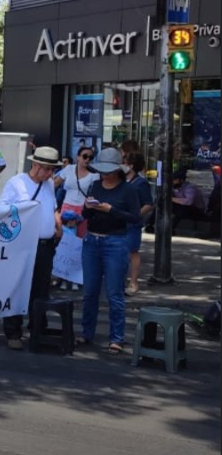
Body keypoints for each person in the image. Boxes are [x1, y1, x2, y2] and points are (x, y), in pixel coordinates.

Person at [0, 146, 63, 350]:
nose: (49, 173)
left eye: (52, 169)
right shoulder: (16, 183)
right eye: (46, 169)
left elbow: (53, 207)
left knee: (41, 289)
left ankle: (37, 328)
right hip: (23, 244)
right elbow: (2, 210)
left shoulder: (49, 184)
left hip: (45, 245)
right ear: (35, 164)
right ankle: (13, 331)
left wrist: (57, 224)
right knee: (18, 287)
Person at [79, 148, 141, 355]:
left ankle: (116, 338)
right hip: (92, 239)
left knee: (114, 293)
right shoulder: (95, 185)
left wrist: (111, 210)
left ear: (118, 171)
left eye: (108, 171)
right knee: (89, 292)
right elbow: (85, 214)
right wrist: (89, 207)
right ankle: (87, 332)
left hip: (115, 241)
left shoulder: (128, 190)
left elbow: (136, 218)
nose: (104, 174)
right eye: (102, 171)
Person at [54, 146, 99, 240]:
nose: (87, 159)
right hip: (67, 207)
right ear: (78, 157)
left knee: (80, 238)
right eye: (85, 156)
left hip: (83, 209)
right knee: (64, 238)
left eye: (90, 157)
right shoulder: (69, 169)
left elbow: (96, 195)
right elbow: (56, 183)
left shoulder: (94, 175)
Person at [124, 153, 152, 296]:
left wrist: (135, 215)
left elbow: (148, 204)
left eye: (125, 162)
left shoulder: (141, 183)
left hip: (132, 223)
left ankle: (133, 282)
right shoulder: (122, 180)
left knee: (132, 251)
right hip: (120, 221)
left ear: (131, 165)